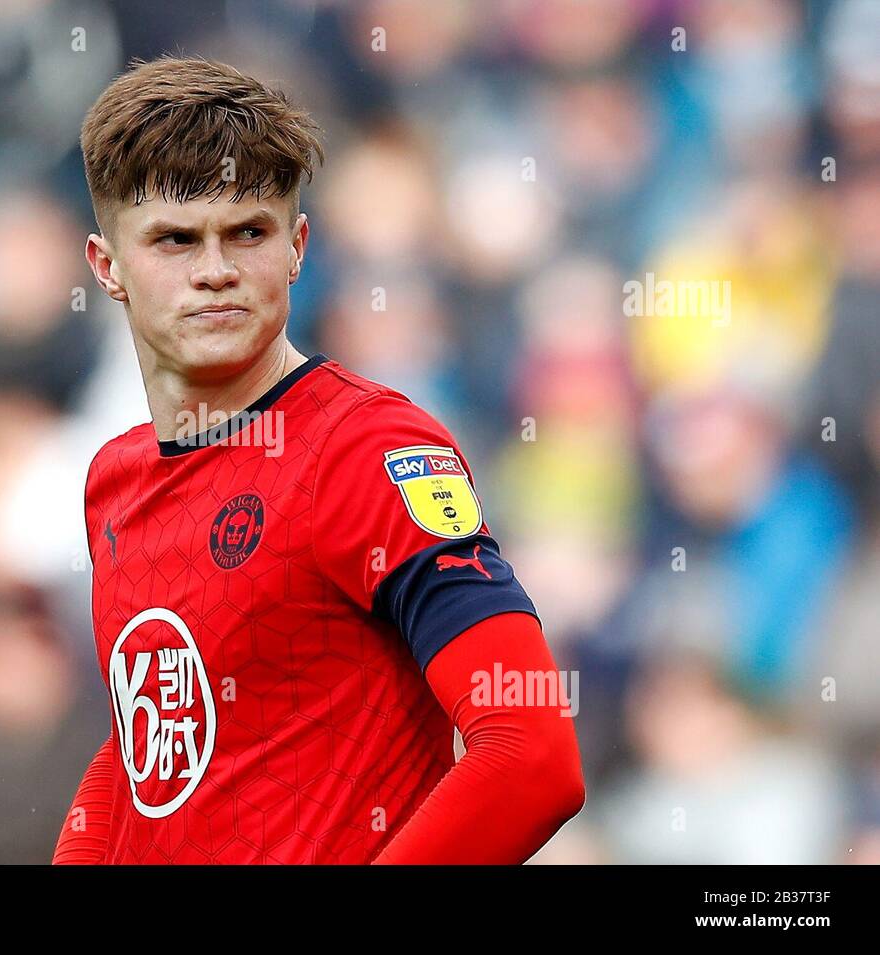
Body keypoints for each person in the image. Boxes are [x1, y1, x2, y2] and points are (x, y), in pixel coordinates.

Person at [52, 56, 584, 864]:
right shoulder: (113, 481)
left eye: (248, 232)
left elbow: (531, 753)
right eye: (174, 239)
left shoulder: (368, 451)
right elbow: (151, 750)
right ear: (107, 267)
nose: (215, 270)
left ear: (298, 246)